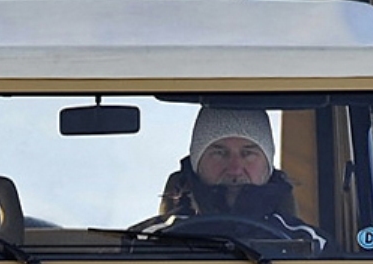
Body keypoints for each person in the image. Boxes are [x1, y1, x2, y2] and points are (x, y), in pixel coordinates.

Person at [139, 107, 329, 249]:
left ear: (268, 166)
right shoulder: (147, 241)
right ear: (197, 163)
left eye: (248, 154)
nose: (235, 169)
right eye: (220, 153)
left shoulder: (312, 245)